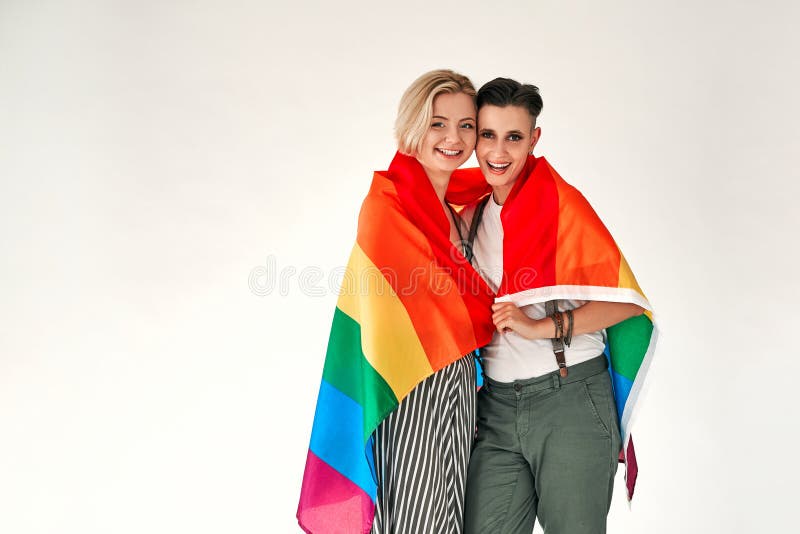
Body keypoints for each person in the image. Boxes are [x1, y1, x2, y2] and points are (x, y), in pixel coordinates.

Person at [297, 70, 496, 534]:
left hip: (461, 389)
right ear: (412, 126)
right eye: (437, 123)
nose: (453, 138)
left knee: (448, 520)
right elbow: (424, 308)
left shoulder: (462, 209)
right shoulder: (387, 204)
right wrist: (504, 315)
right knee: (412, 520)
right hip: (410, 391)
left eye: (466, 125)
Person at [459, 78, 657, 534]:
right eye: (488, 135)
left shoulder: (562, 205)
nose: (498, 151)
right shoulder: (468, 218)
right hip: (496, 408)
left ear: (534, 139)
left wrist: (540, 326)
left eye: (513, 136)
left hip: (568, 400)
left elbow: (625, 304)